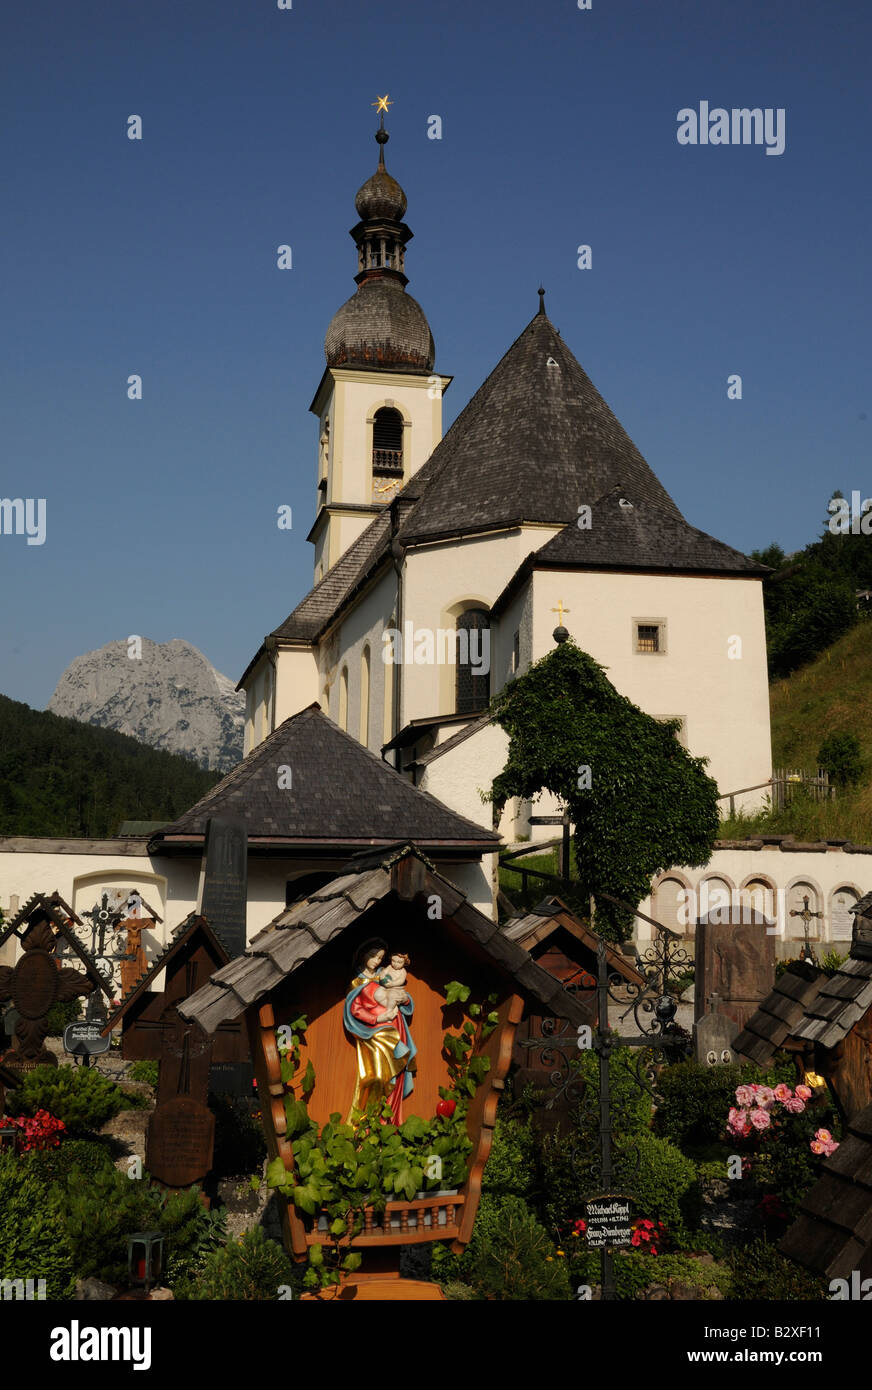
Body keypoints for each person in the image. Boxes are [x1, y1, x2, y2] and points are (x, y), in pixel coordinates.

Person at [343, 939, 415, 1123]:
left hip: (396, 1024)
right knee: (376, 1077)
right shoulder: (356, 981)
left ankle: (389, 1122)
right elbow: (355, 1009)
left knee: (396, 1073)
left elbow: (402, 995)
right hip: (374, 1033)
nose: (376, 960)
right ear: (363, 955)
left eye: (380, 957)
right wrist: (377, 1018)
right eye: (373, 956)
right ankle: (367, 1123)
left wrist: (404, 999)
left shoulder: (384, 975)